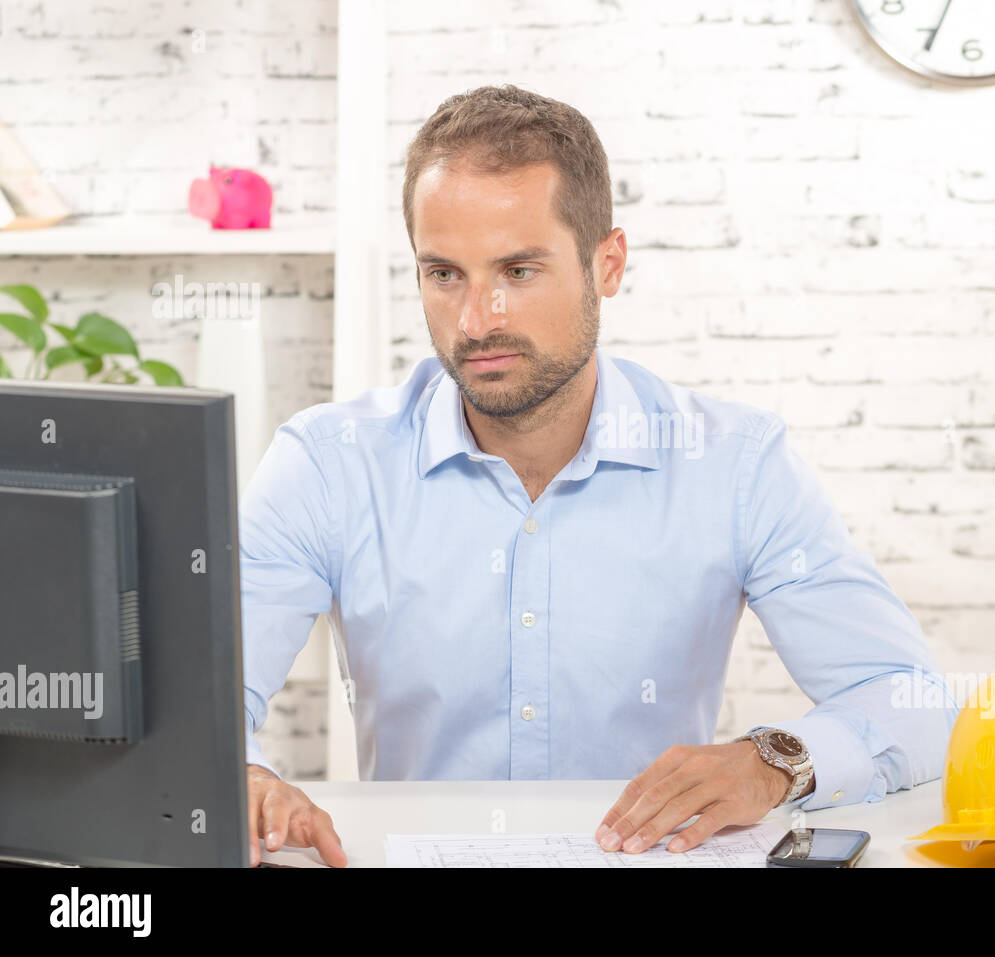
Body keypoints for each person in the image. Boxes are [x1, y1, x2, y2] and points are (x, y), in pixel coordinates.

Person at [241, 84, 957, 867]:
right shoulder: (328, 464)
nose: (478, 319)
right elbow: (199, 704)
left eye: (518, 268)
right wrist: (243, 776)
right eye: (444, 274)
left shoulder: (734, 463)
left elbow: (915, 703)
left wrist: (773, 761)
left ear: (607, 264)